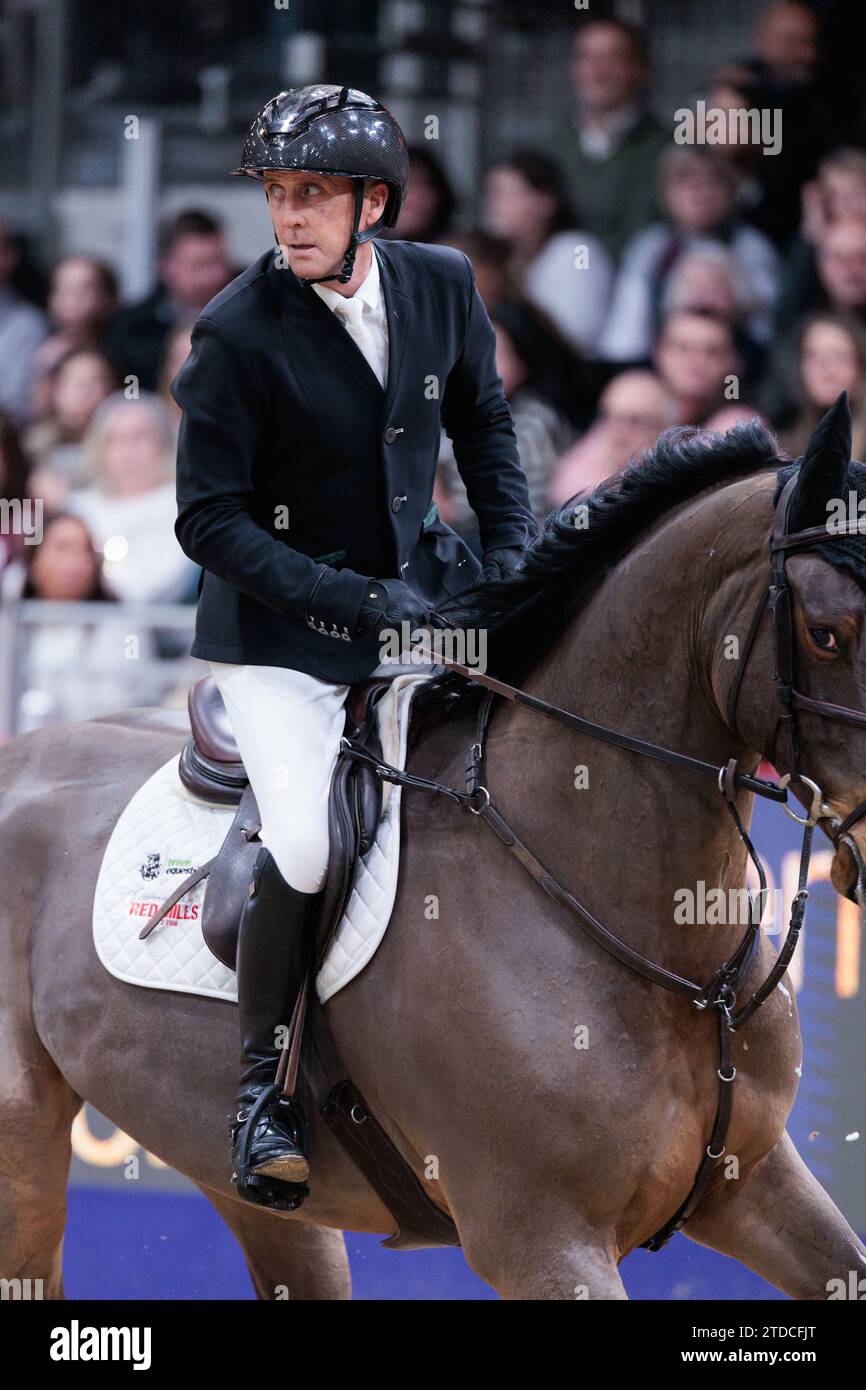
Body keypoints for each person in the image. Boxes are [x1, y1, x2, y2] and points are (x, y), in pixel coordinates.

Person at [171, 84, 538, 1209]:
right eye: (277, 195)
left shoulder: (437, 282)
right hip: (281, 639)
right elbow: (208, 521)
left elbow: (480, 423)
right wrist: (352, 601)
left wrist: (515, 562)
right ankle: (260, 1093)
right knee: (308, 845)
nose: (288, 216)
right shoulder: (235, 331)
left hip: (421, 592)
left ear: (372, 202)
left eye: (312, 194)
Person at [547, 18, 668, 260]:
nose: (597, 71)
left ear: (640, 68)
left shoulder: (668, 150)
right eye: (586, 58)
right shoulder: (551, 150)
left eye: (613, 58)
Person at [483, 150, 613, 356]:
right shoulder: (505, 258)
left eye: (506, 194)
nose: (494, 205)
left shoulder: (577, 250)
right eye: (492, 194)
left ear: (546, 202)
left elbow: (579, 338)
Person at [105, 209, 235, 391]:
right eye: (199, 265)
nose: (213, 277)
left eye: (219, 262)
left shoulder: (253, 310)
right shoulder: (133, 329)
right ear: (166, 266)